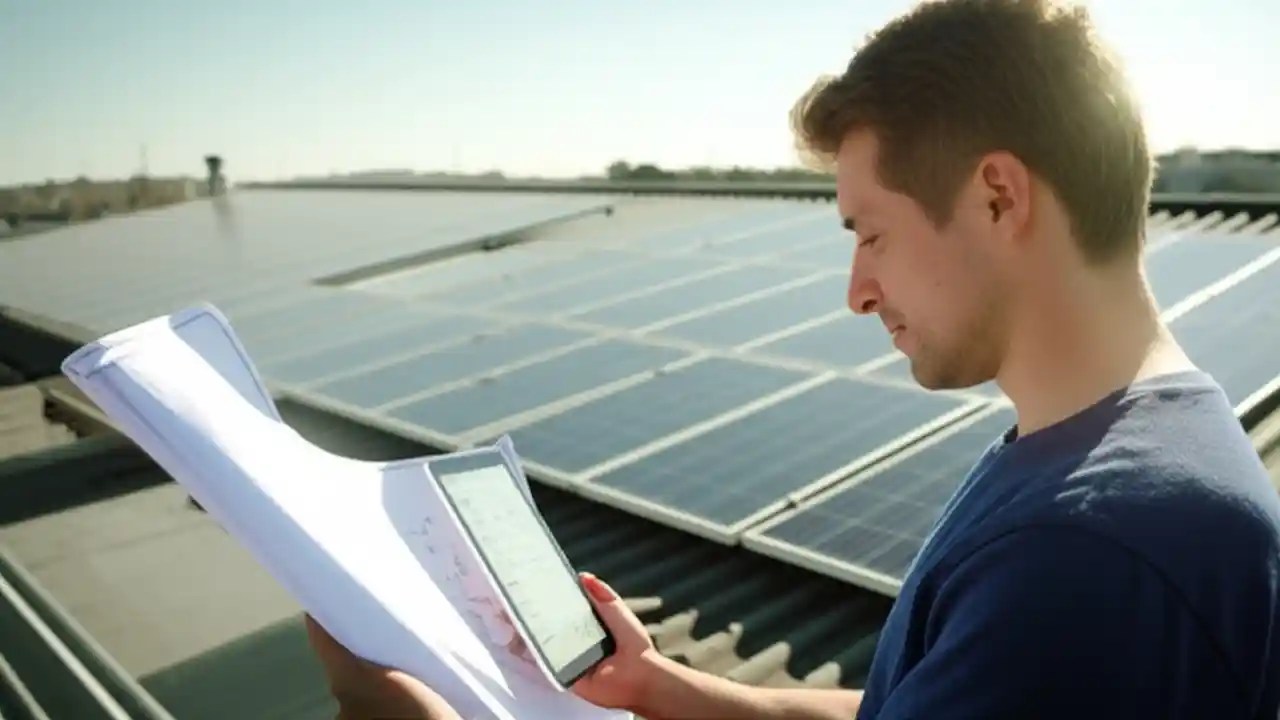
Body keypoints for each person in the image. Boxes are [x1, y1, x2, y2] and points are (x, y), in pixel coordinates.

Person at [306, 0, 1280, 717]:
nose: (855, 290)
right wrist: (664, 687)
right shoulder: (1114, 453)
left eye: (870, 233)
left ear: (995, 198)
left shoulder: (1086, 554)